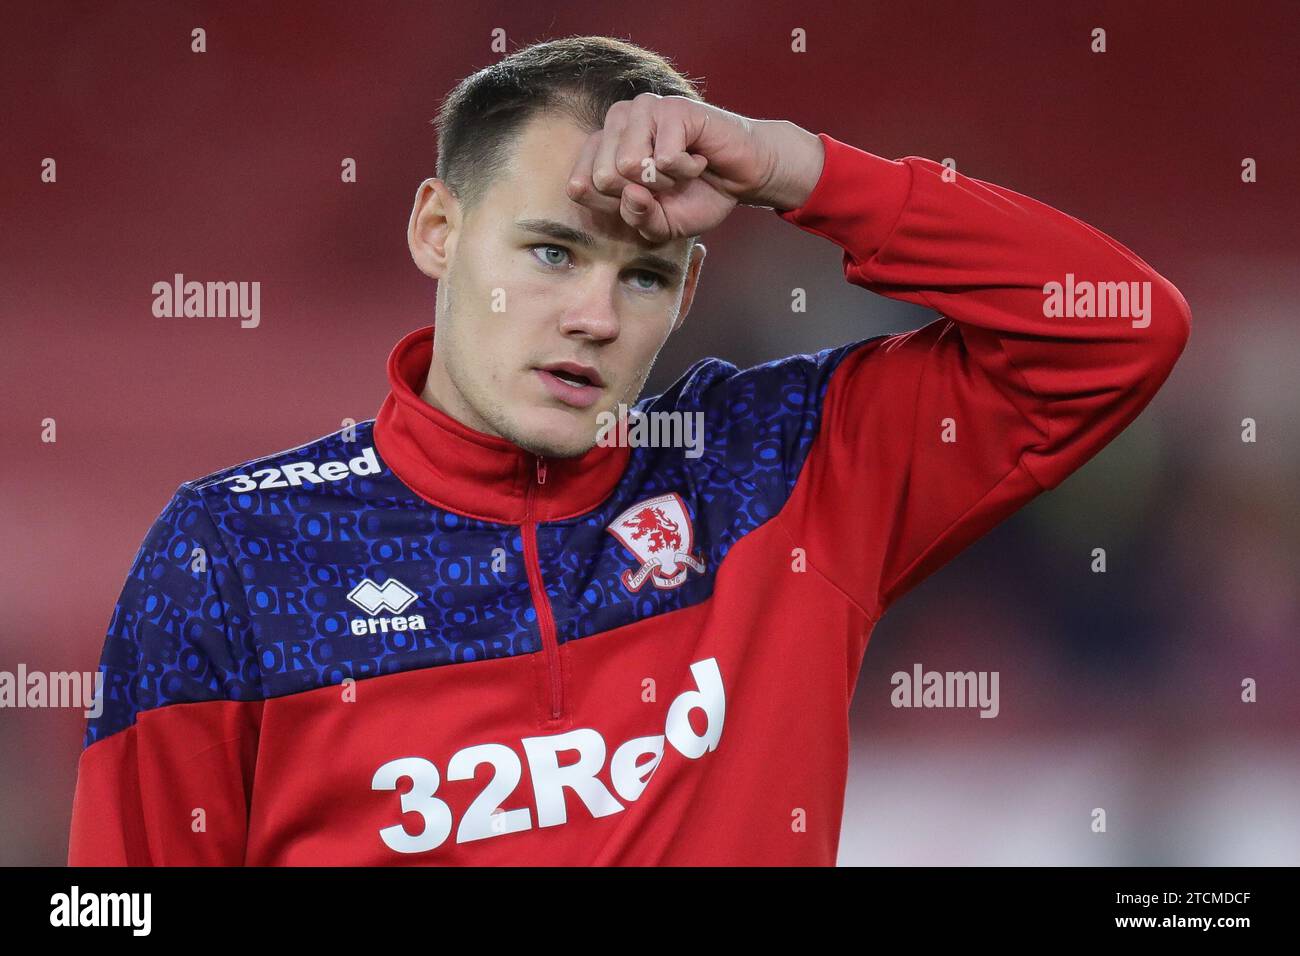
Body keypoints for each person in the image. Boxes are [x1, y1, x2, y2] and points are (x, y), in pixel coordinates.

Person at [68, 35, 1190, 865]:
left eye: (643, 275)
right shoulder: (237, 546)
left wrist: (797, 168)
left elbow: (1115, 329)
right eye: (551, 253)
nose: (596, 316)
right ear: (437, 231)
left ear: (688, 288)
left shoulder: (778, 472)